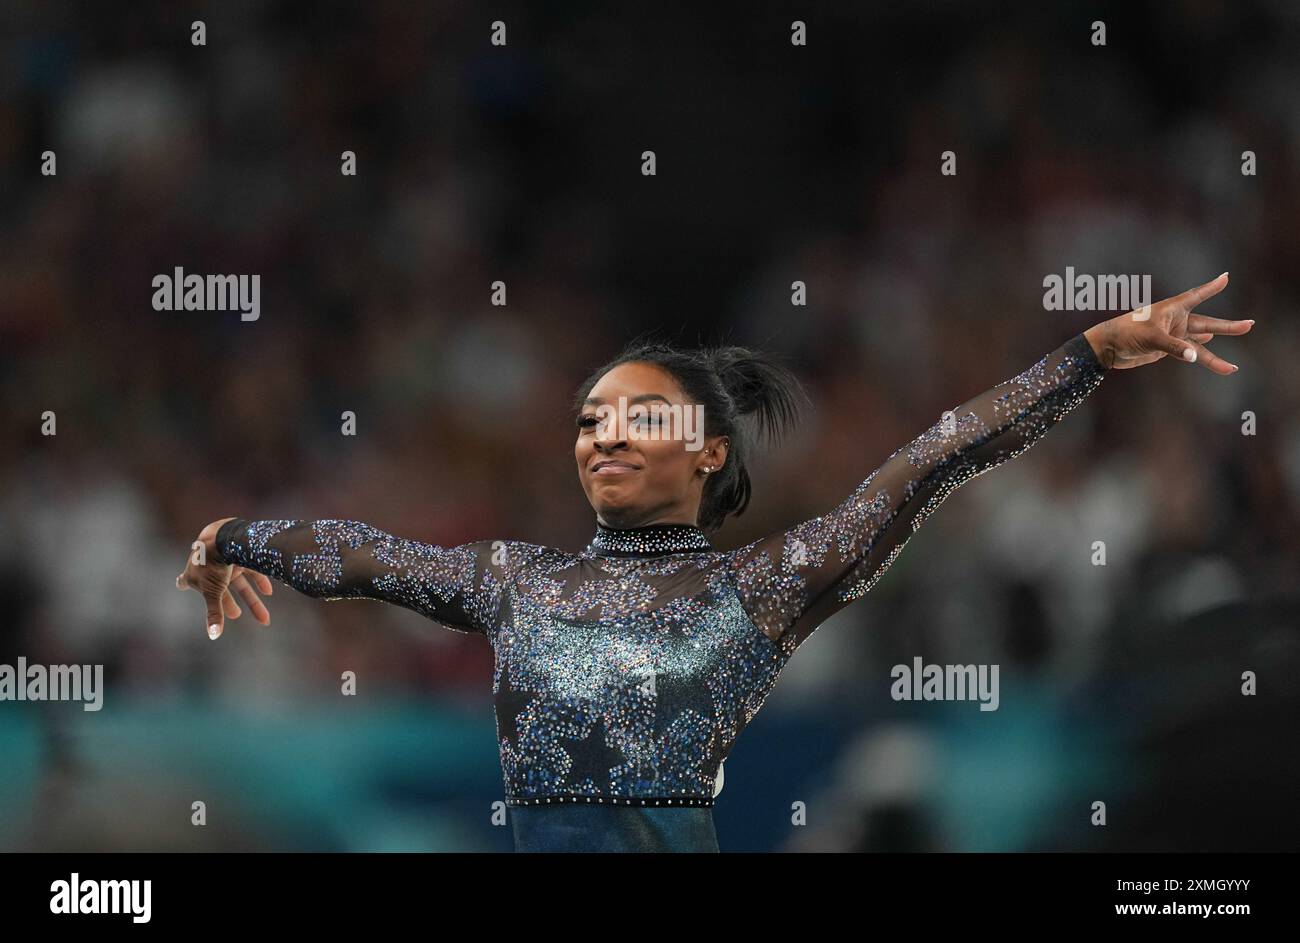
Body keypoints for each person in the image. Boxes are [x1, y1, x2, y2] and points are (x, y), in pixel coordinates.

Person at [176, 273, 1251, 852]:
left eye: (634, 416)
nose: (600, 435)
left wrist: (1086, 357)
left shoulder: (762, 583)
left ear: (707, 453)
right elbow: (361, 554)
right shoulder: (517, 578)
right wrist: (234, 539)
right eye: (588, 418)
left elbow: (930, 461)